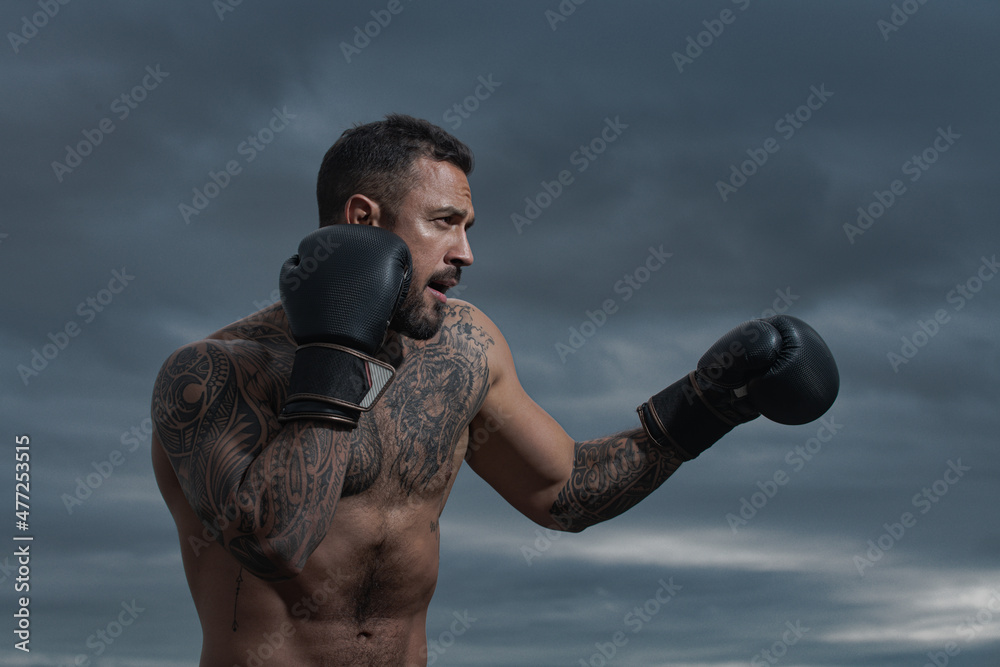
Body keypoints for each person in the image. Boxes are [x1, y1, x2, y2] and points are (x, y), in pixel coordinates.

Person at [151, 114, 839, 666]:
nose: (466, 253)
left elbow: (563, 493)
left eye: (467, 228)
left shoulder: (464, 347)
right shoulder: (213, 372)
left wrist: (706, 405)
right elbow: (270, 542)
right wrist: (336, 346)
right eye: (444, 222)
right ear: (362, 221)